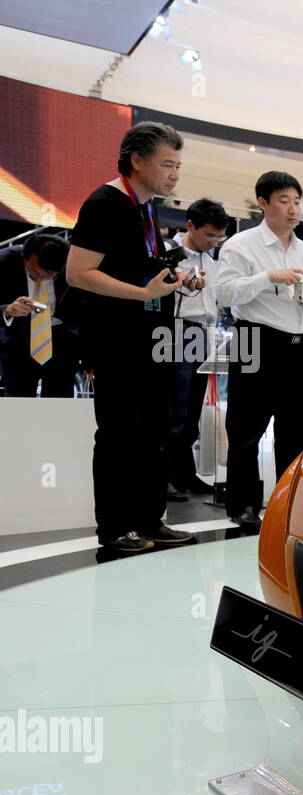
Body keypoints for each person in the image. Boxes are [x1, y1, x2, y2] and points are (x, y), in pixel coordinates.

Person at [65, 121, 195, 553]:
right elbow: (78, 273)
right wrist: (143, 293)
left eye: (178, 165)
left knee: (153, 430)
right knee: (119, 432)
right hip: (116, 338)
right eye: (168, 164)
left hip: (151, 335)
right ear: (137, 161)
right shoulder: (105, 203)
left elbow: (134, 265)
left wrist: (172, 277)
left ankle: (148, 519)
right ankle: (115, 527)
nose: (175, 174)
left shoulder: (146, 206)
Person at [212, 171, 303, 533]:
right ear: (263, 203)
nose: (294, 209)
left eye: (297, 201)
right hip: (253, 339)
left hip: (297, 346)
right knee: (245, 428)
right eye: (284, 201)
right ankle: (243, 504)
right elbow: (224, 293)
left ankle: (286, 502)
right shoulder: (241, 245)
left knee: (293, 430)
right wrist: (267, 278)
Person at [163, 198, 228, 499]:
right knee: (174, 410)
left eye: (219, 237)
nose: (214, 242)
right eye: (209, 235)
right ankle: (166, 476)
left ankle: (185, 473)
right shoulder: (169, 254)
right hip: (176, 331)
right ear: (190, 225)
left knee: (192, 412)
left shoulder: (212, 261)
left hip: (205, 333)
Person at [0, 233, 73, 397]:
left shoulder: (71, 264)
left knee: (60, 401)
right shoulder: (4, 261)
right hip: (18, 341)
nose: (39, 279)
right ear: (24, 254)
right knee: (18, 401)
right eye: (33, 272)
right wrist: (7, 310)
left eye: (48, 276)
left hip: (62, 342)